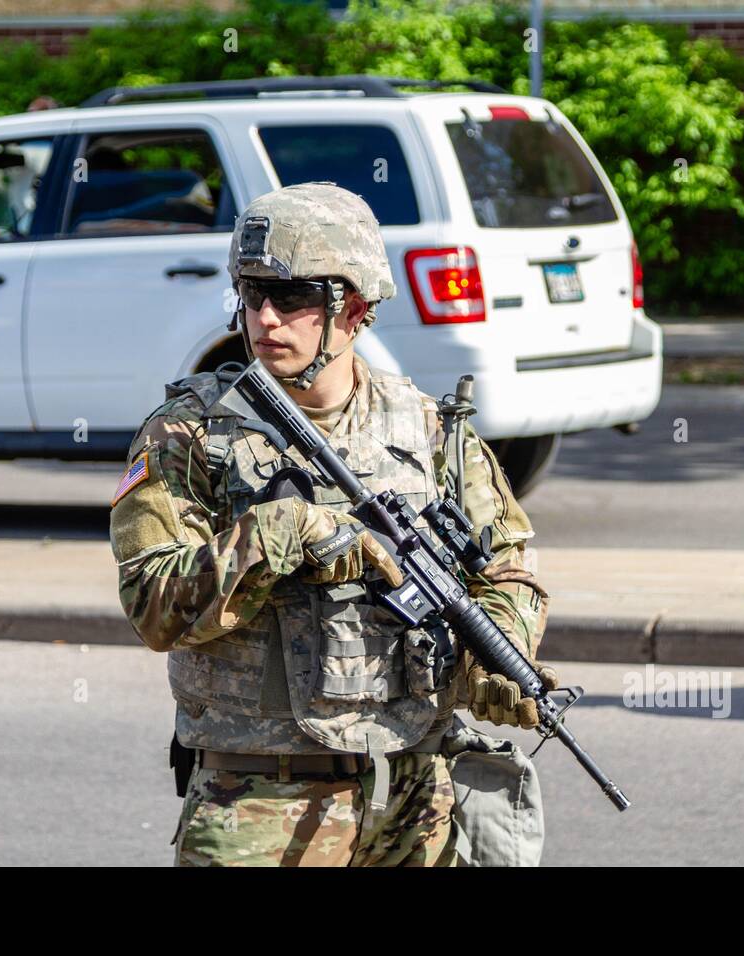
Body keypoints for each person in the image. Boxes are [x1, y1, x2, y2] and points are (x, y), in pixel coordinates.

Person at [109, 182, 556, 867]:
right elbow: (153, 608)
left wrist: (502, 644)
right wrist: (283, 535)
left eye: (292, 297)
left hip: (415, 788)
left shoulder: (428, 428)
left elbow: (507, 564)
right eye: (250, 292)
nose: (264, 317)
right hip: (262, 796)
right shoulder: (190, 434)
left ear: (358, 308)